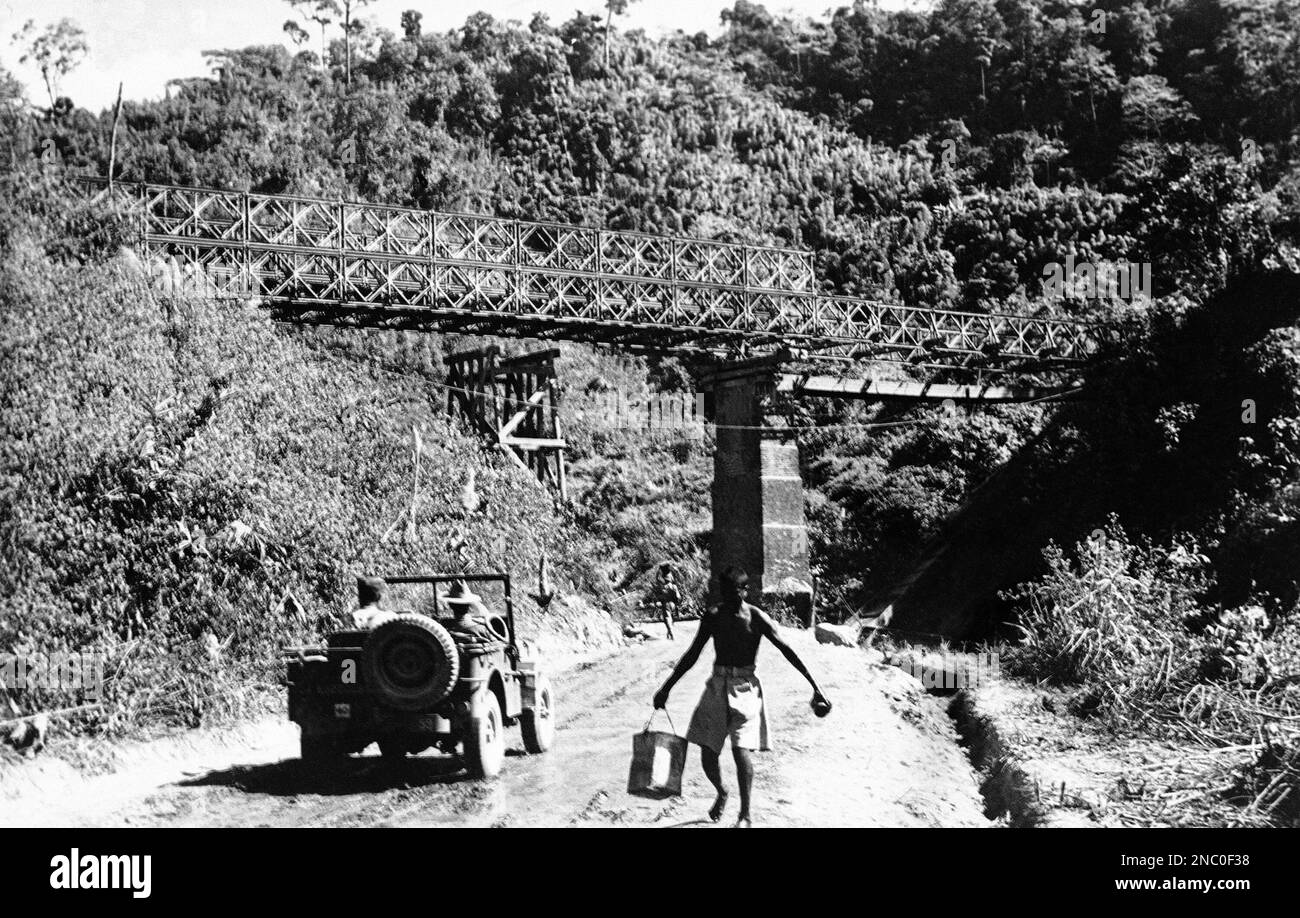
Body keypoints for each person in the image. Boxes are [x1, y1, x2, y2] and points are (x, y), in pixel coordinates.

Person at [652, 566, 829, 827]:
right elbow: (692, 654)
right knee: (708, 752)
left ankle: (745, 814)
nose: (729, 596)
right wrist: (666, 687)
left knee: (740, 749)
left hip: (746, 687)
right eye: (724, 591)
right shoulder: (713, 616)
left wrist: (815, 685)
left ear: (745, 591)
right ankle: (722, 791)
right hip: (717, 685)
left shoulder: (756, 617)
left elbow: (786, 649)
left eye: (734, 590)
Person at [655, 563, 682, 641]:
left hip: (666, 604)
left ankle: (671, 633)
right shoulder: (674, 586)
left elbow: (657, 578)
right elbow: (678, 597)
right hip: (673, 604)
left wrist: (658, 570)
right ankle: (669, 633)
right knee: (671, 619)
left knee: (667, 618)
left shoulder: (662, 586)